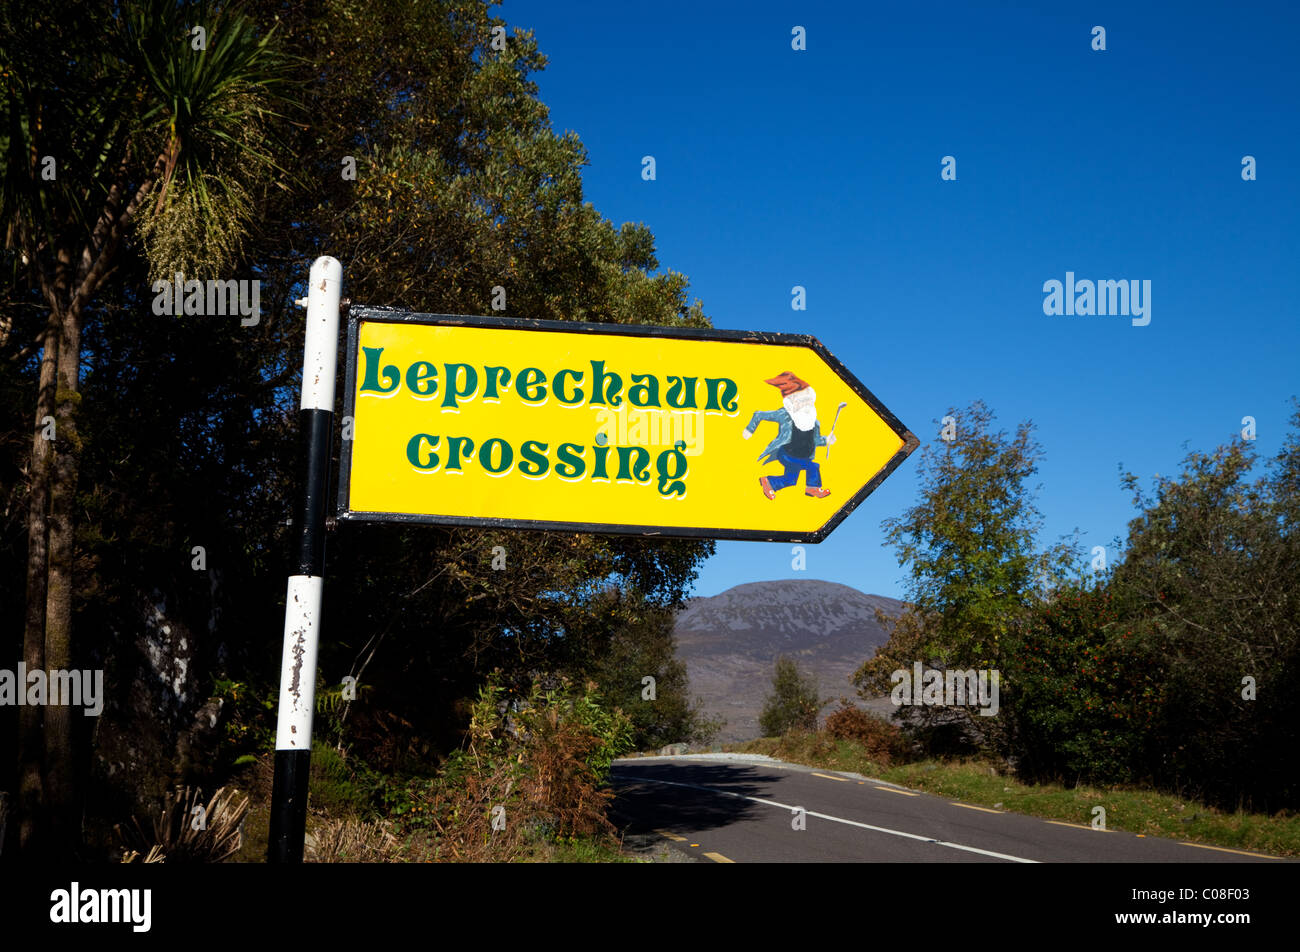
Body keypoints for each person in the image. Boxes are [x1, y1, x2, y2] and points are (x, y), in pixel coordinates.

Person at [742, 371, 835, 499]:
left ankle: (768, 482)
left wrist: (827, 440)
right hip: (788, 454)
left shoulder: (814, 421)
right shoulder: (786, 415)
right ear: (792, 402)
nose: (805, 404)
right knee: (813, 467)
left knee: (791, 480)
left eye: (807, 401)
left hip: (803, 456)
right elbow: (759, 414)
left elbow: (816, 440)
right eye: (801, 401)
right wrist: (749, 430)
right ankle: (813, 489)